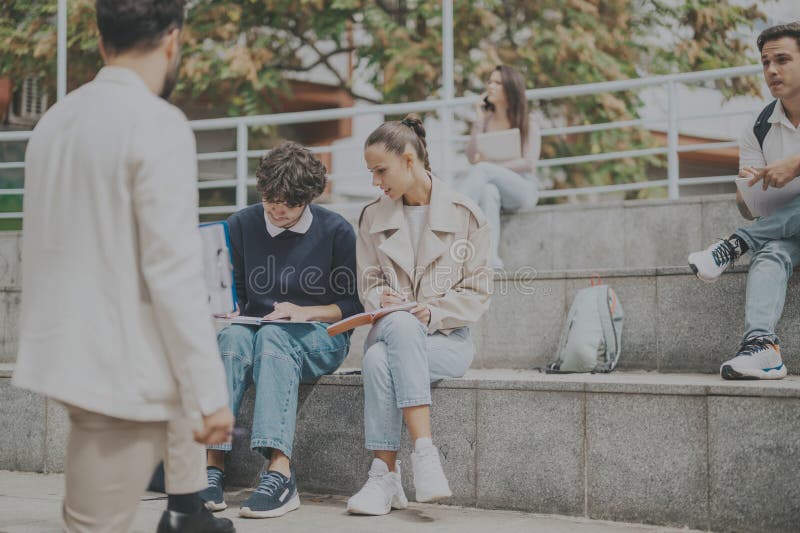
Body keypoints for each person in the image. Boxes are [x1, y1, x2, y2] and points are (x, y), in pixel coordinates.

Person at [12, 1, 236, 532]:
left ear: (98, 35)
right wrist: (212, 394)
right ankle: (186, 511)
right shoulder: (157, 124)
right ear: (173, 39)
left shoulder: (55, 119)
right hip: (119, 368)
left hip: (71, 351)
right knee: (93, 525)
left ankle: (186, 511)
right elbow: (174, 273)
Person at [199, 141, 362, 519]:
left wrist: (305, 312)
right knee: (231, 339)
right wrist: (226, 309)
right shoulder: (241, 224)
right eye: (270, 200)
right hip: (254, 329)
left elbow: (354, 304)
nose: (277, 210)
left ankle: (280, 472)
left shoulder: (336, 231)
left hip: (321, 337)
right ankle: (212, 468)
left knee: (274, 338)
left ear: (308, 198)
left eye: (287, 204)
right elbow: (231, 290)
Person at [347, 114, 492, 516]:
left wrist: (431, 311)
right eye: (371, 173)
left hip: (448, 341)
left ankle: (384, 474)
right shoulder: (372, 217)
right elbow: (369, 283)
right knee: (396, 326)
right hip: (390, 330)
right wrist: (382, 296)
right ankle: (424, 453)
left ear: (410, 160)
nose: (376, 182)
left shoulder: (467, 215)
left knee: (378, 359)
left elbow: (477, 293)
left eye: (381, 170)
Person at [687, 22, 800, 380]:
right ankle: (762, 346)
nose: (771, 70)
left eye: (782, 59)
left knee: (765, 241)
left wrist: (796, 166)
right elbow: (748, 201)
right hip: (790, 229)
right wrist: (748, 196)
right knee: (773, 252)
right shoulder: (758, 126)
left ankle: (738, 242)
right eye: (766, 62)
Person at [460, 65, 541, 269]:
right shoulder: (485, 121)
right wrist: (478, 121)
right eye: (489, 81)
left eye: (497, 82)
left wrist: (494, 167)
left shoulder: (527, 120)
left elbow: (529, 162)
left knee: (483, 170)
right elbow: (471, 157)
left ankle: (455, 216)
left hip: (523, 188)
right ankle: (491, 259)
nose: (490, 86)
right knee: (488, 191)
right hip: (495, 186)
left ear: (510, 89)